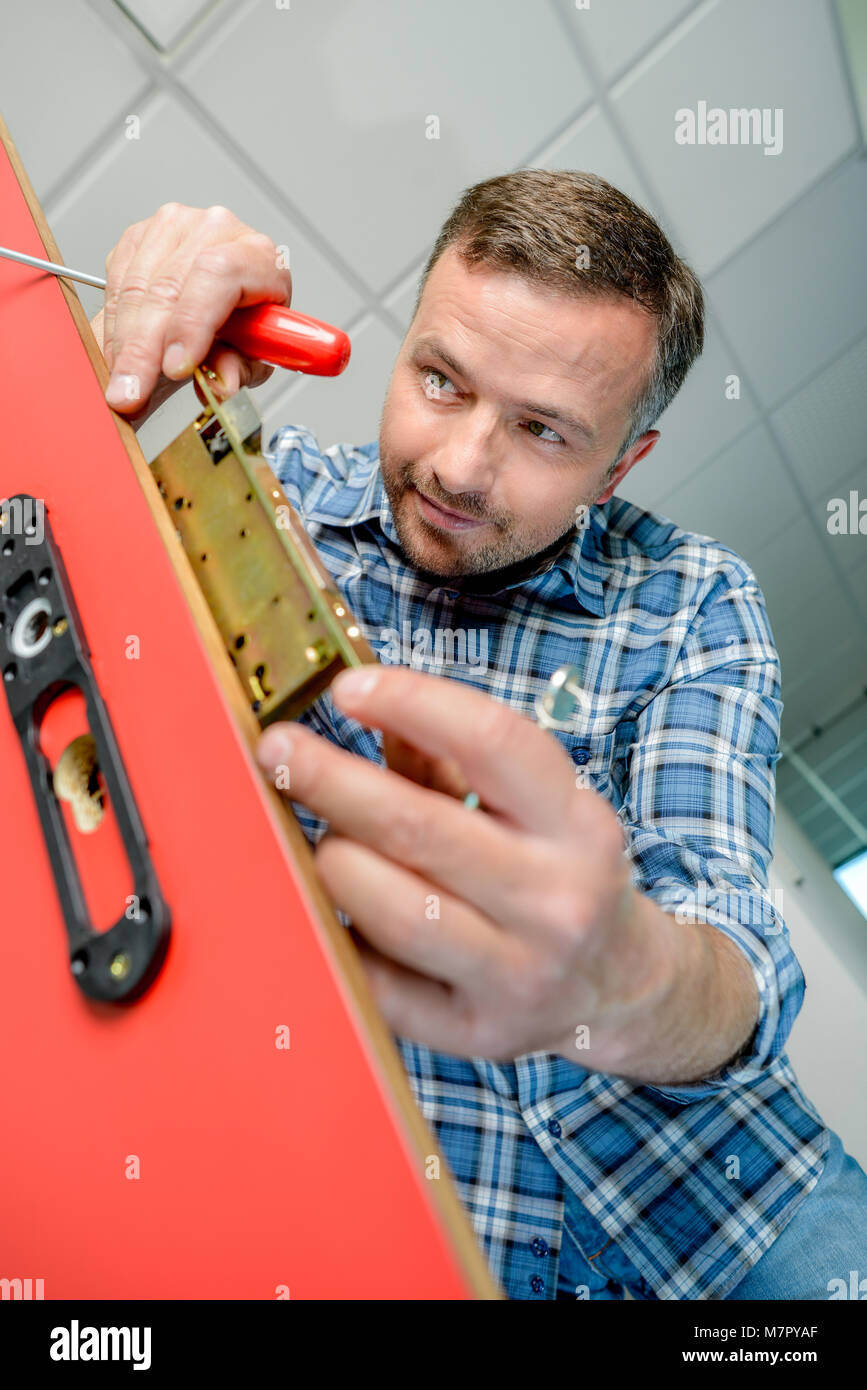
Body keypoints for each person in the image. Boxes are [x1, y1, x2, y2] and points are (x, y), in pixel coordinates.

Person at [93, 169, 867, 1301]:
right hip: (448, 1257)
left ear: (621, 466)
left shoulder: (692, 600)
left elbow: (732, 949)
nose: (459, 465)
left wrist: (627, 973)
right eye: (441, 380)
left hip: (743, 1235)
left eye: (543, 431)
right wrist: (115, 350)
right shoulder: (262, 495)